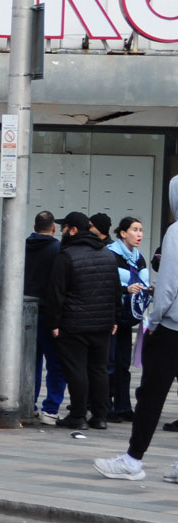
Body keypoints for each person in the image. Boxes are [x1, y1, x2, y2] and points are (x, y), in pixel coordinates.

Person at [95, 177, 178, 482]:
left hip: (171, 328)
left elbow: (169, 285)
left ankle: (133, 460)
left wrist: (154, 320)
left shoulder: (176, 232)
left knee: (151, 396)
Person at [43, 211, 121, 430]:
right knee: (99, 370)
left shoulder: (66, 255)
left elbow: (56, 293)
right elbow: (115, 290)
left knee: (76, 370)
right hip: (103, 324)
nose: (62, 231)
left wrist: (54, 323)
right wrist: (115, 317)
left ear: (74, 230)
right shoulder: (107, 254)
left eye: (65, 227)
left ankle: (78, 416)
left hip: (74, 324)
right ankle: (100, 416)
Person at [106, 216, 151, 421]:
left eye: (141, 230)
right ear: (123, 233)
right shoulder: (110, 254)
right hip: (112, 314)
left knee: (123, 363)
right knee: (110, 362)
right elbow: (105, 283)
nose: (139, 234)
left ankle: (123, 407)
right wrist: (126, 288)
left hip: (128, 316)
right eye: (135, 229)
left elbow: (143, 281)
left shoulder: (138, 257)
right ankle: (106, 407)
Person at [24, 210, 66, 420]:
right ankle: (50, 409)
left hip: (25, 312)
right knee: (56, 363)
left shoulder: (22, 247)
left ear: (34, 228)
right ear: (54, 228)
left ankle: (28, 403)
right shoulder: (58, 250)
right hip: (49, 313)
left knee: (30, 363)